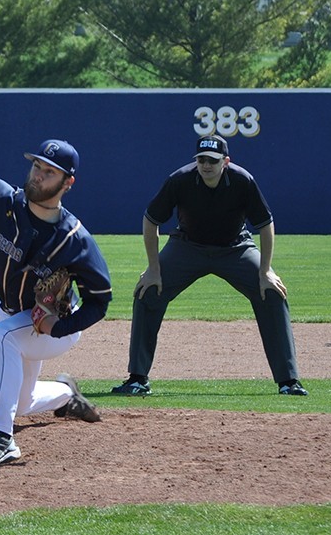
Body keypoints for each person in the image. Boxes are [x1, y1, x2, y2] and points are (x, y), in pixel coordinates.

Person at [0, 92, 113, 468]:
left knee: (1, 338)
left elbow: (101, 299)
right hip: (14, 315)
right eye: (36, 166)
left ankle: (1, 440)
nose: (38, 175)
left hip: (52, 324)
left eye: (49, 172)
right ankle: (66, 394)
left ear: (68, 182)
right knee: (23, 400)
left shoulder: (75, 239)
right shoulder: (2, 201)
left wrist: (60, 325)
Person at [110, 134, 306, 397]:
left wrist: (266, 271)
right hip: (187, 246)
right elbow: (151, 220)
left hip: (235, 248)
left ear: (226, 161)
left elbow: (265, 225)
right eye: (201, 159)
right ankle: (137, 379)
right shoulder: (179, 179)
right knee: (147, 291)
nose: (206, 165)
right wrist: (154, 269)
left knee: (271, 292)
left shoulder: (242, 180)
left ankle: (288, 382)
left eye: (213, 160)